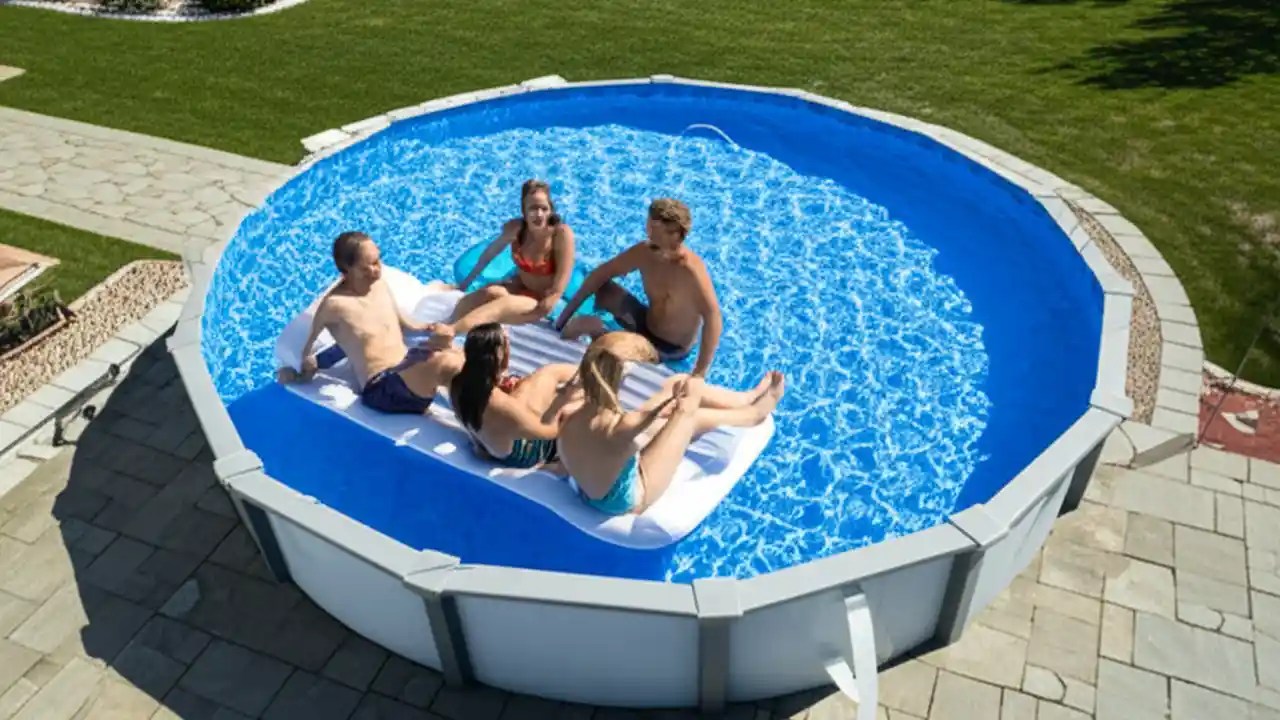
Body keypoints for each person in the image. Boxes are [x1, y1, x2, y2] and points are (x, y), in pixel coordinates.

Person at [556, 332, 784, 516]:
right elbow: (685, 406)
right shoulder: (620, 427)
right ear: (621, 378)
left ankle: (744, 398)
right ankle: (752, 414)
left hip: (589, 488)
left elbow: (641, 417)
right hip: (624, 499)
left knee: (675, 385)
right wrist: (690, 391)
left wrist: (668, 401)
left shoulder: (570, 413)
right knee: (689, 416)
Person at [278, 231, 462, 415]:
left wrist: (430, 328)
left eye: (378, 261)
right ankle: (477, 430)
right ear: (346, 269)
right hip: (381, 388)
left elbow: (404, 323)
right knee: (444, 364)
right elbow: (307, 353)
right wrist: (295, 374)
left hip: (406, 368)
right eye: (369, 266)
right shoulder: (334, 306)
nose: (378, 269)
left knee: (464, 355)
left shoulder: (380, 285)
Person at [554, 198, 722, 377]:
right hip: (645, 321)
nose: (648, 235)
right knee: (604, 288)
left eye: (654, 231)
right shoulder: (646, 251)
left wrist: (699, 374)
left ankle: (608, 338)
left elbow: (713, 317)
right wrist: (566, 314)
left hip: (668, 348)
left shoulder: (692, 272)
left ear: (676, 235)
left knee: (589, 329)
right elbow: (601, 274)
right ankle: (607, 334)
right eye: (648, 227)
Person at [435, 179, 577, 340]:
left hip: (544, 301)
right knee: (490, 292)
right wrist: (465, 283)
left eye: (544, 208)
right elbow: (489, 254)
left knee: (500, 306)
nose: (539, 214)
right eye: (533, 208)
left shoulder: (561, 234)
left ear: (551, 210)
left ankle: (451, 331)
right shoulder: (516, 229)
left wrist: (552, 299)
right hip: (520, 286)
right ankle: (446, 322)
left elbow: (564, 275)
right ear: (524, 210)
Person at [449, 322, 582, 469]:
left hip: (488, 445)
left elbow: (498, 373)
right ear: (497, 356)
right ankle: (590, 376)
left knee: (529, 385)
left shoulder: (458, 383)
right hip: (522, 455)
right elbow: (548, 432)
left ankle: (585, 380)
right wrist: (561, 402)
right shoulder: (501, 405)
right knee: (549, 374)